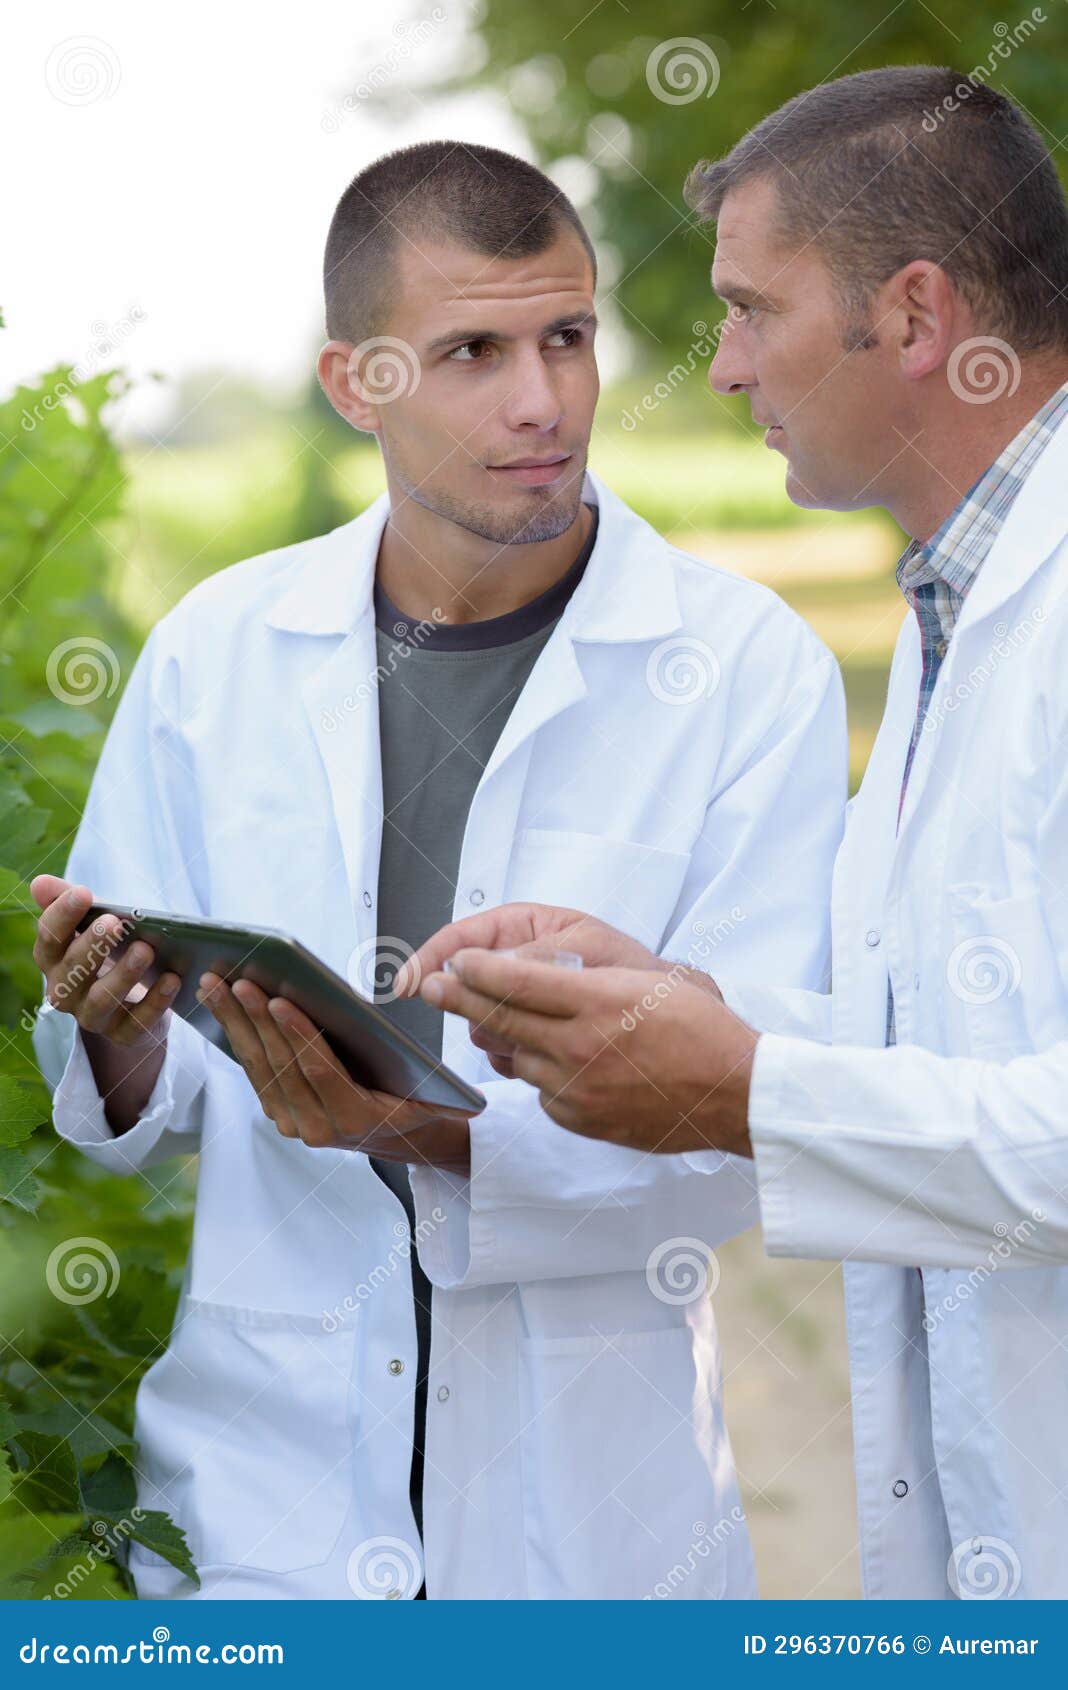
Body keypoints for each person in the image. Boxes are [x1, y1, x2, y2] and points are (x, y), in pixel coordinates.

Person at [30, 141, 845, 1599]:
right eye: (472, 350)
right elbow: (137, 1119)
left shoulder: (739, 672)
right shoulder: (218, 656)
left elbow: (755, 1123)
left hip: (594, 1534)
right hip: (254, 1515)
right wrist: (121, 1027)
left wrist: (420, 1133)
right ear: (360, 385)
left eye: (569, 337)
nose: (542, 401)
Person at [410, 69, 1068, 1602]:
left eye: (752, 309)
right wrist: (693, 1014)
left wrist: (744, 1090)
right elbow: (966, 1039)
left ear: (911, 318)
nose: (719, 369)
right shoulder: (950, 610)